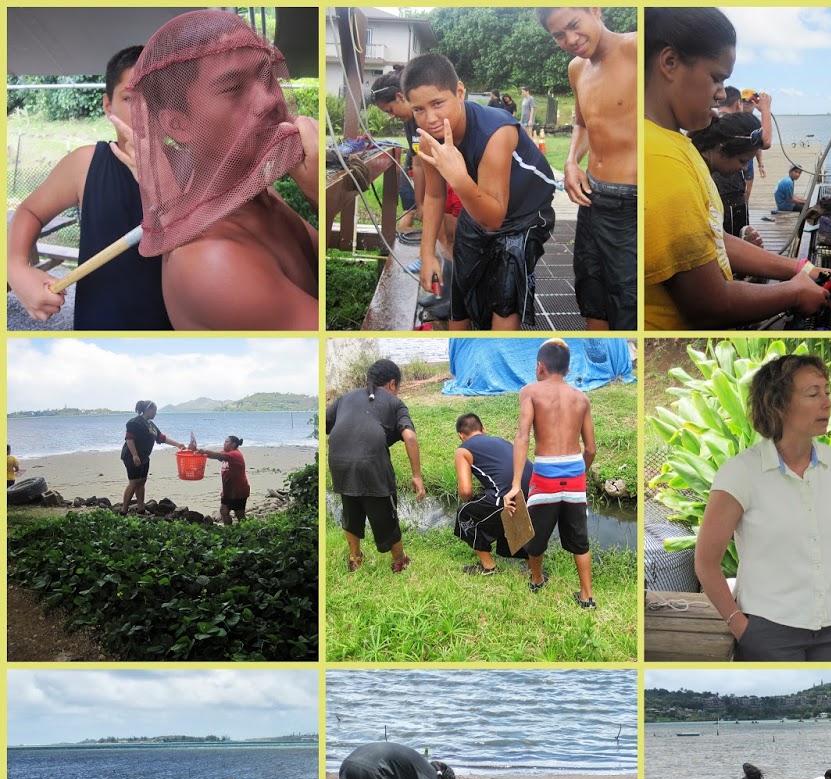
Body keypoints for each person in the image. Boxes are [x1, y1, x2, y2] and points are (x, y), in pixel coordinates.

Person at [641, 9, 831, 329]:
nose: (722, 93)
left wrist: (801, 269)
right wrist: (794, 293)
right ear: (670, 62)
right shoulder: (663, 160)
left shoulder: (678, 145)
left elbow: (712, 240)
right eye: (716, 77)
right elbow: (709, 305)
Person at [122, 11, 320, 329]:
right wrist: (320, 198)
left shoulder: (262, 196)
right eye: (233, 89)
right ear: (178, 125)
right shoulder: (211, 260)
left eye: (267, 76)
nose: (269, 100)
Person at [695, 354, 831, 660]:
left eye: (827, 391)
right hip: (769, 633)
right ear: (778, 405)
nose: (827, 402)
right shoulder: (740, 473)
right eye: (813, 394)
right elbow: (706, 562)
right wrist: (741, 627)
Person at [7, 46, 171, 329]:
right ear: (108, 105)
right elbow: (29, 211)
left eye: (157, 96)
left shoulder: (196, 170)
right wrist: (15, 267)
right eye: (130, 98)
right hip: (96, 332)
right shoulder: (84, 164)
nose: (144, 110)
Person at [406, 52, 558, 331]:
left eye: (438, 103)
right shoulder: (429, 142)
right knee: (462, 286)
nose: (430, 119)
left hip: (525, 214)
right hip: (478, 204)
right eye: (419, 110)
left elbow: (494, 220)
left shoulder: (495, 133)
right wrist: (427, 253)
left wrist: (458, 177)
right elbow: (435, 195)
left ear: (459, 92)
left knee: (505, 296)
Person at [541, 8, 637, 331]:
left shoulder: (636, 48)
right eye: (558, 35)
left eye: (573, 25)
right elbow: (583, 123)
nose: (569, 40)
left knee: (628, 301)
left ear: (595, 9)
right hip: (591, 197)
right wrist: (571, 161)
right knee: (590, 289)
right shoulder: (576, 68)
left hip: (631, 203)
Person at [502, 339, 597, 606]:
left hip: (545, 474)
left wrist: (515, 485)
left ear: (540, 367)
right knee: (580, 539)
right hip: (575, 472)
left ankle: (536, 579)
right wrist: (579, 474)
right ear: (567, 370)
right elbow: (590, 449)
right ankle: (587, 596)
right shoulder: (582, 398)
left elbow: (522, 436)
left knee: (536, 533)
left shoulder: (530, 391)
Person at [327, 359, 425, 574]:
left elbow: (326, 424)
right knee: (386, 513)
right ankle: (399, 560)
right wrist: (417, 475)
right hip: (372, 464)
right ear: (392, 384)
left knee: (350, 512)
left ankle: (355, 559)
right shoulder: (394, 403)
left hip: (339, 463)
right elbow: (409, 437)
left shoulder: (345, 398)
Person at [452, 412, 536, 576]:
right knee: (499, 507)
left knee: (464, 513)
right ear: (483, 429)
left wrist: (470, 503)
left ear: (461, 436)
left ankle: (488, 567)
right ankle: (532, 568)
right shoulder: (500, 441)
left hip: (508, 496)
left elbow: (466, 491)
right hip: (534, 492)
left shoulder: (462, 450)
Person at [370, 69, 437, 247]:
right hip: (423, 169)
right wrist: (420, 204)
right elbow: (417, 162)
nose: (391, 116)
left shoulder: (430, 119)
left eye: (390, 110)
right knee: (411, 208)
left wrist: (430, 201)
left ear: (400, 97)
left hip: (443, 177)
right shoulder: (408, 122)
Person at [690, 112, 765, 238]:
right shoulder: (694, 177)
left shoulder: (701, 167)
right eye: (742, 161)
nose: (744, 168)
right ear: (721, 148)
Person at [118, 400, 184, 515]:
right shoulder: (135, 422)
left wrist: (178, 444)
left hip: (144, 457)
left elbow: (161, 438)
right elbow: (129, 439)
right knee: (134, 482)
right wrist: (135, 455)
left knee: (142, 481)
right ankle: (123, 511)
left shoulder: (151, 425)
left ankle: (141, 509)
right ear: (147, 410)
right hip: (131, 456)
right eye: (154, 410)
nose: (155, 413)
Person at [192, 435, 250, 524]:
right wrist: (197, 451)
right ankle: (228, 528)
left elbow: (216, 455)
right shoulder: (227, 454)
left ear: (233, 444)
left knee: (240, 514)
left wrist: (202, 451)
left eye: (226, 442)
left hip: (238, 490)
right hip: (228, 490)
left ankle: (248, 529)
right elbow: (213, 455)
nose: (224, 443)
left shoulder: (235, 454)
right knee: (223, 511)